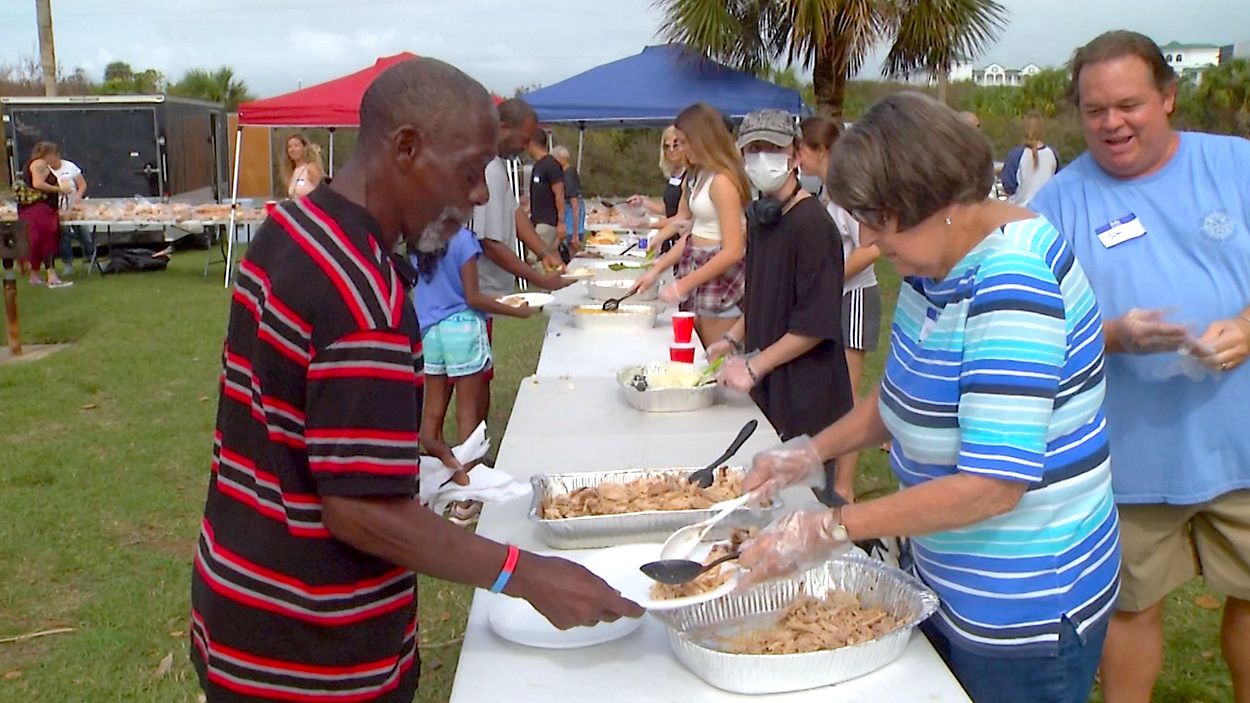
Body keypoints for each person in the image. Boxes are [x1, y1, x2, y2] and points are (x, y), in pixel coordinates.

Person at [190, 58, 641, 703]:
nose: (480, 195)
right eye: (468, 172)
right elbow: (360, 512)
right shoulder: (362, 290)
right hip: (314, 651)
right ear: (405, 147)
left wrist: (394, 439)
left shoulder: (288, 229)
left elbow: (285, 412)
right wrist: (524, 572)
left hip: (235, 603)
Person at [736, 92, 1120, 703]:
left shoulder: (1013, 284)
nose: (866, 238)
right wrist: (806, 453)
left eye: (879, 220)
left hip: (1021, 604)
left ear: (938, 204)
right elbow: (898, 399)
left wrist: (832, 527)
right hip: (948, 573)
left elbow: (993, 485)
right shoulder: (932, 265)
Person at [1030, 30, 1250, 703]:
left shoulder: (1236, 164)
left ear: (1168, 97)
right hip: (1127, 458)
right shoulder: (1058, 203)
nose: (1111, 123)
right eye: (1095, 110)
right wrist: (1116, 336)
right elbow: (1030, 330)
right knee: (1129, 608)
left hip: (1241, 446)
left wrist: (1246, 326)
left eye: (1129, 104)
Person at [705, 110, 853, 508]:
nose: (761, 158)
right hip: (772, 387)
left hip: (809, 394)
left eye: (772, 148)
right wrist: (732, 339)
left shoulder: (813, 225)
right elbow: (762, 294)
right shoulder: (762, 219)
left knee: (805, 507)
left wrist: (756, 366)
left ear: (796, 155)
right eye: (753, 150)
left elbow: (815, 322)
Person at [465, 98, 570, 441]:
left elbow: (514, 214)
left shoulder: (497, 166)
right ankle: (471, 453)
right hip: (473, 294)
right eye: (523, 140)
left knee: (480, 375)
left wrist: (544, 253)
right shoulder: (487, 168)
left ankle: (473, 448)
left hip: (486, 292)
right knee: (472, 379)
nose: (526, 148)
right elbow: (489, 242)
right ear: (503, 128)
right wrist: (539, 280)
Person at [798, 115, 882, 501]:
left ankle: (844, 490)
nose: (797, 157)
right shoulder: (826, 194)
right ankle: (831, 480)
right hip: (834, 299)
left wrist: (832, 277)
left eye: (802, 149)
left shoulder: (847, 196)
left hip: (855, 299)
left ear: (823, 151)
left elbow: (872, 246)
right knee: (832, 395)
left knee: (848, 397)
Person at [413, 226, 539, 456]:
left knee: (432, 412)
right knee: (467, 412)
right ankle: (469, 476)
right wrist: (516, 311)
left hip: (429, 331)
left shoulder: (417, 238)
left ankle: (432, 474)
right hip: (463, 329)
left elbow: (447, 291)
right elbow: (472, 297)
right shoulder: (463, 239)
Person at [634, 103, 751, 345]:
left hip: (719, 280)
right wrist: (656, 270)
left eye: (684, 142)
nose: (682, 149)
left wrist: (683, 284)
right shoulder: (699, 176)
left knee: (716, 360)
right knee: (698, 353)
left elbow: (733, 250)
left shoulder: (722, 182)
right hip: (697, 268)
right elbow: (692, 234)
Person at [16, 141, 72, 288]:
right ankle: (51, 276)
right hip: (40, 210)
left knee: (37, 242)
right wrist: (60, 189)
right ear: (49, 154)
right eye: (55, 154)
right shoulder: (39, 164)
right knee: (47, 240)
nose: (57, 158)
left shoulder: (34, 164)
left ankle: (34, 275)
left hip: (36, 210)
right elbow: (38, 184)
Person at [1001, 112, 1060, 206]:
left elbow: (1009, 187)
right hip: (1044, 213)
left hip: (1019, 212)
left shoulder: (1016, 155)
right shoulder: (1052, 154)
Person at [525, 129, 566, 259]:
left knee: (535, 258)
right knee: (550, 258)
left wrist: (561, 222)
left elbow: (559, 194)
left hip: (547, 222)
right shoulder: (538, 166)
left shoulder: (551, 165)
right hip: (536, 220)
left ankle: (544, 278)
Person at [51, 154, 92, 277]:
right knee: (64, 236)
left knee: (84, 233)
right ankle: (68, 264)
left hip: (74, 206)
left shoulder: (70, 166)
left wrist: (78, 196)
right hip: (58, 208)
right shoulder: (46, 170)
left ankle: (91, 259)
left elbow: (82, 184)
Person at [551, 145, 584, 254]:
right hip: (571, 219)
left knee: (571, 252)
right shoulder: (570, 171)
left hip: (571, 221)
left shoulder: (568, 176)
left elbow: (575, 206)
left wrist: (575, 235)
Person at [283, 132, 324, 198]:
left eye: (296, 146)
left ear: (304, 148)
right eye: (289, 147)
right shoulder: (291, 172)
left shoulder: (311, 168)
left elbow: (323, 193)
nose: (293, 149)